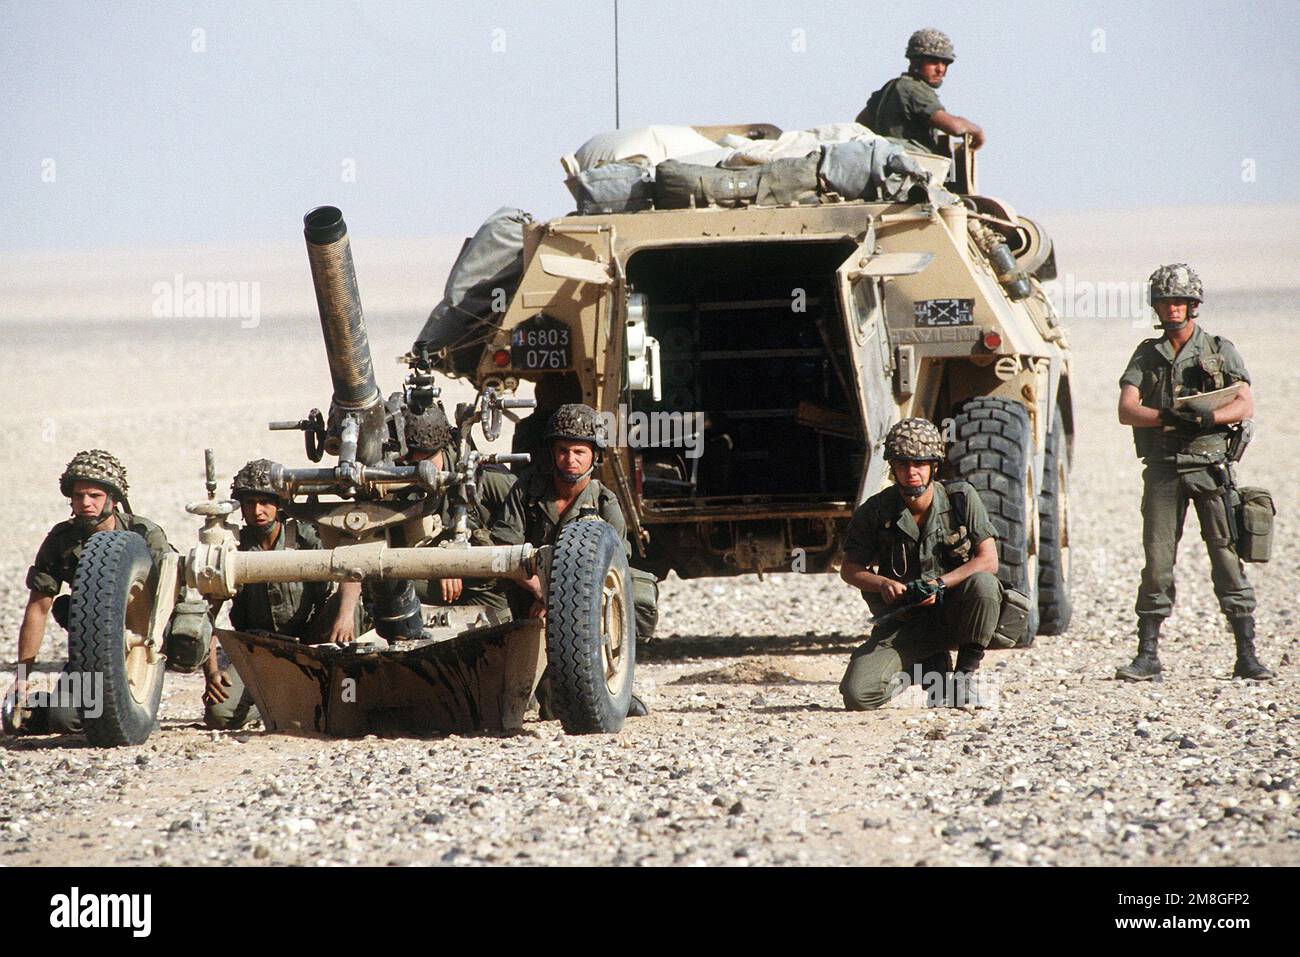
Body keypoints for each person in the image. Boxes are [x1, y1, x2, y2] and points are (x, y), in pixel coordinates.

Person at [1115, 264, 1274, 682]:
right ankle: (1147, 655)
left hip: (1209, 470)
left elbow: (1244, 404)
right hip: (1164, 472)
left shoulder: (1219, 349)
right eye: (1166, 302)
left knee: (1226, 557)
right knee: (1157, 563)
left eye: (1180, 302)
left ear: (1194, 306)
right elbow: (1127, 410)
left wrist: (1208, 420)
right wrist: (1166, 417)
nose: (1172, 309)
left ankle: (1247, 653)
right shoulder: (1147, 354)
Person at [490, 403, 657, 715]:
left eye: (579, 451)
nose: (570, 460)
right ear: (552, 453)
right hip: (526, 590)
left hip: (583, 601)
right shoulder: (526, 490)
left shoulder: (605, 503)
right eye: (563, 450)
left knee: (638, 593)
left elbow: (612, 572)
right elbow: (504, 548)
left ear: (594, 455)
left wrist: (558, 603)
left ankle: (613, 682)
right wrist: (541, 591)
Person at [4, 450, 172, 735]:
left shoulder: (144, 534)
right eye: (78, 495)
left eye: (94, 495)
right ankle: (38, 708)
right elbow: (38, 607)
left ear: (113, 499)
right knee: (66, 719)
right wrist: (22, 676)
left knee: (188, 629)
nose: (85, 503)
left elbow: (172, 592)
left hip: (146, 646)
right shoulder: (62, 541)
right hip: (94, 649)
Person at [838, 418, 1002, 710]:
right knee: (857, 695)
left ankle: (962, 678)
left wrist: (939, 584)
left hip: (954, 614)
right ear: (892, 468)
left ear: (934, 466)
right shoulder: (875, 511)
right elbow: (850, 569)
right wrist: (883, 584)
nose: (911, 471)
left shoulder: (961, 498)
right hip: (905, 622)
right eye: (903, 464)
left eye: (920, 463)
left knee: (984, 585)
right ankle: (928, 667)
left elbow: (988, 560)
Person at [203, 459, 362, 730]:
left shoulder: (306, 537)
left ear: (280, 504)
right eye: (250, 503)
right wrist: (212, 673)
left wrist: (345, 617)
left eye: (266, 502)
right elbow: (207, 615)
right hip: (260, 650)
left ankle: (349, 696)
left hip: (313, 640)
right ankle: (280, 699)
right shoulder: (234, 548)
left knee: (350, 609)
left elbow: (352, 568)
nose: (257, 511)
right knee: (220, 714)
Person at [398, 406, 516, 620]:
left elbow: (528, 525)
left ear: (442, 449)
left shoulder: (487, 478)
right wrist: (442, 565)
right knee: (383, 586)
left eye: (426, 461)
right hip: (435, 577)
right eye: (412, 464)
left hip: (490, 584)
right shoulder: (400, 483)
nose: (420, 472)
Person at [855, 28, 985, 155]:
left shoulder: (891, 87)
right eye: (933, 62)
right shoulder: (914, 88)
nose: (940, 69)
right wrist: (977, 131)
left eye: (945, 63)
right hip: (911, 169)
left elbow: (861, 123)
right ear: (915, 62)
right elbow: (954, 127)